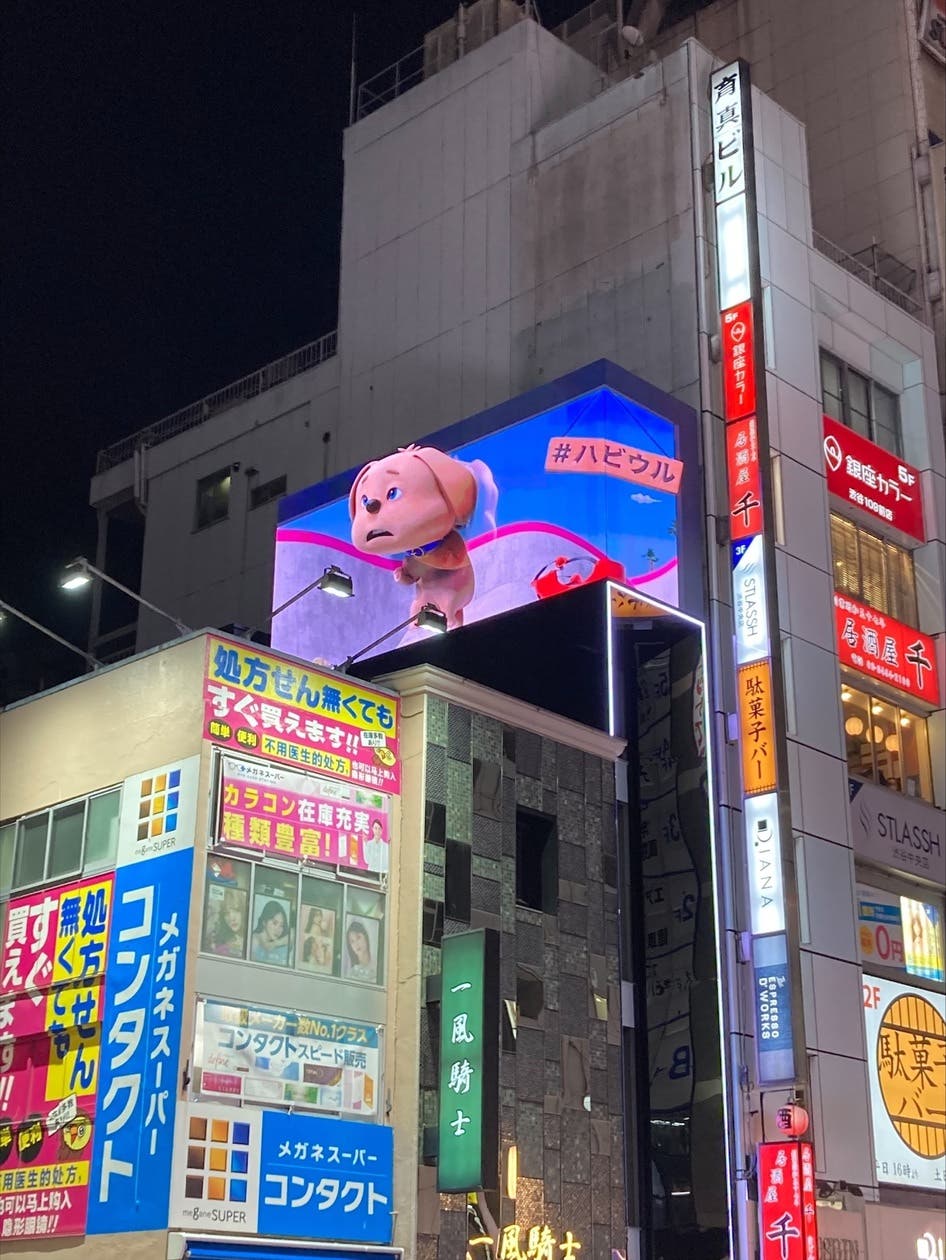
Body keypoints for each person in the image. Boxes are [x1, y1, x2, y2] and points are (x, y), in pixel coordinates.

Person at [208, 887, 246, 958]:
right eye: (226, 913)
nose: (232, 918)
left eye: (236, 910)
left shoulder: (250, 940)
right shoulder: (221, 943)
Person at [251, 899, 290, 966]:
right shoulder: (255, 939)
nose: (278, 929)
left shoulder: (275, 941)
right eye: (274, 923)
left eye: (281, 925)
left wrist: (276, 943)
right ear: (264, 922)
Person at [301, 906, 334, 970]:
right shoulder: (315, 927)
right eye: (316, 916)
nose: (319, 918)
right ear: (312, 917)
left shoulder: (317, 927)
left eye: (320, 915)